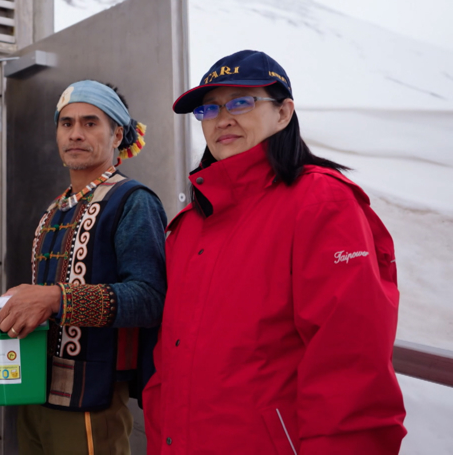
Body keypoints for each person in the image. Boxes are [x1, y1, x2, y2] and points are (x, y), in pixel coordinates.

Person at [144, 50, 406, 454]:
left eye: (241, 102)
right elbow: (173, 357)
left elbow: (350, 363)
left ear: (283, 114)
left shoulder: (321, 204)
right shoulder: (191, 222)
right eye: (209, 109)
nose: (222, 118)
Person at [0, 80, 168, 455]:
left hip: (90, 399)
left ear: (117, 134)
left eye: (90, 123)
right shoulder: (56, 208)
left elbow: (150, 297)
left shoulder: (133, 201)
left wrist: (56, 298)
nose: (75, 134)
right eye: (66, 123)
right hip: (33, 391)